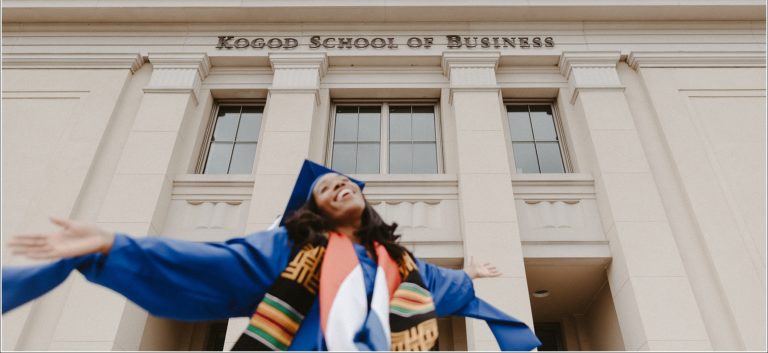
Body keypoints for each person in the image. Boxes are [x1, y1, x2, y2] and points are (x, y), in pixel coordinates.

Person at [3, 160, 541, 352]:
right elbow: (215, 262)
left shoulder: (396, 263)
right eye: (325, 188)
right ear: (314, 212)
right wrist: (116, 246)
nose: (336, 187)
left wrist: (469, 272)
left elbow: (438, 284)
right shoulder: (293, 249)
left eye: (342, 183)